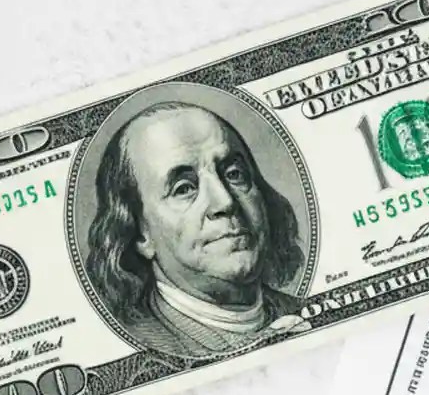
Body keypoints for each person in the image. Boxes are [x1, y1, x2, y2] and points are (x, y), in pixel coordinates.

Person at [86, 101, 307, 356]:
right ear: (139, 233)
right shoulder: (141, 346)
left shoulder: (305, 311)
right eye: (184, 189)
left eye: (234, 174)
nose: (225, 201)